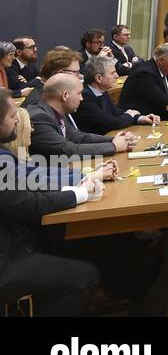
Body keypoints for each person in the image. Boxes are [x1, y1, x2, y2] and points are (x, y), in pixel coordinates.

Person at [0, 91, 103, 316]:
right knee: (86, 275)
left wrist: (80, 182)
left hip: (15, 244)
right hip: (7, 261)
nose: (18, 120)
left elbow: (34, 176)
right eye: (11, 116)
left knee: (68, 247)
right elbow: (29, 203)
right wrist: (80, 193)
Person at [27, 73, 137, 160]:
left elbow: (77, 137)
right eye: (79, 93)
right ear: (65, 95)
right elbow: (67, 150)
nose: (82, 99)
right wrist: (114, 147)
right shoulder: (39, 117)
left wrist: (113, 140)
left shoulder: (55, 111)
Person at [77, 56, 161, 134]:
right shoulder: (84, 97)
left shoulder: (102, 90)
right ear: (99, 78)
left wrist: (140, 118)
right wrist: (130, 115)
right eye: (112, 73)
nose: (117, 76)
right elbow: (111, 123)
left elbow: (116, 112)